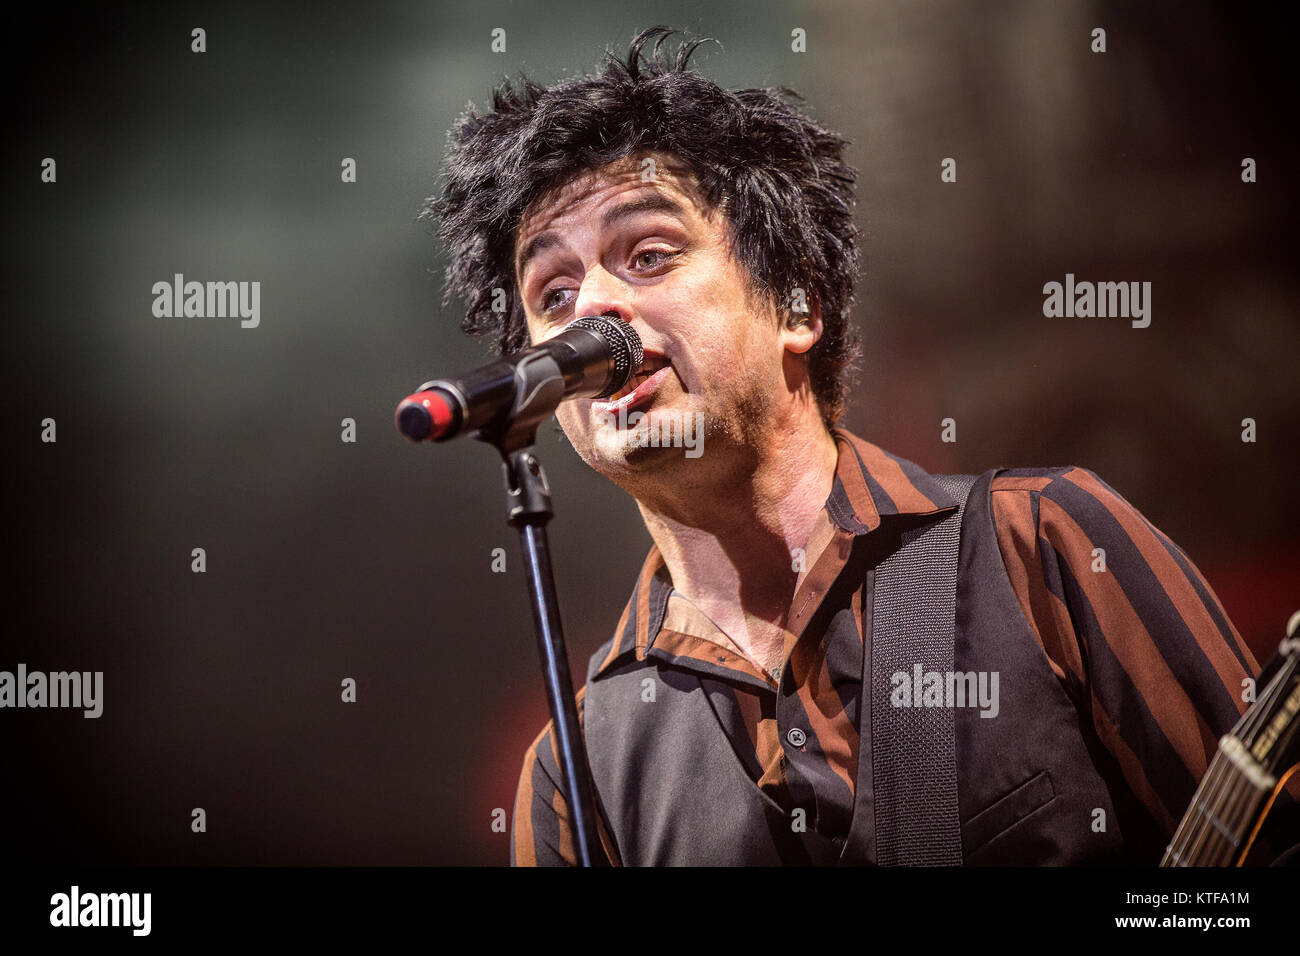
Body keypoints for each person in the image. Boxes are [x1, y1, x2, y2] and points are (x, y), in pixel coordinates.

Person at [423, 26, 1297, 865]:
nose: (593, 313)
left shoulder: (1047, 546)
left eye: (648, 254)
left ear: (797, 307)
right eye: (555, 291)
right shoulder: (579, 775)